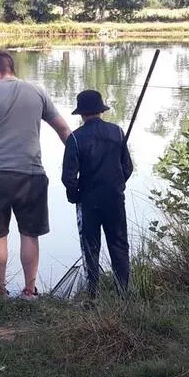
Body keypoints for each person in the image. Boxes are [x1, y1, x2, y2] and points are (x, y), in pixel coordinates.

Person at [0, 51, 71, 299]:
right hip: (31, 175)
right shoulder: (38, 91)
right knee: (29, 233)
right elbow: (63, 129)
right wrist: (79, 162)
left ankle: (0, 291)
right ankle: (30, 291)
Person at [61, 89, 134, 299]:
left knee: (90, 247)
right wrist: (117, 185)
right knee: (119, 244)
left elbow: (68, 177)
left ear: (82, 114)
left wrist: (75, 195)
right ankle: (123, 293)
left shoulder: (75, 138)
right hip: (114, 199)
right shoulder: (118, 132)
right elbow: (127, 167)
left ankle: (93, 295)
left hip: (89, 201)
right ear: (101, 110)